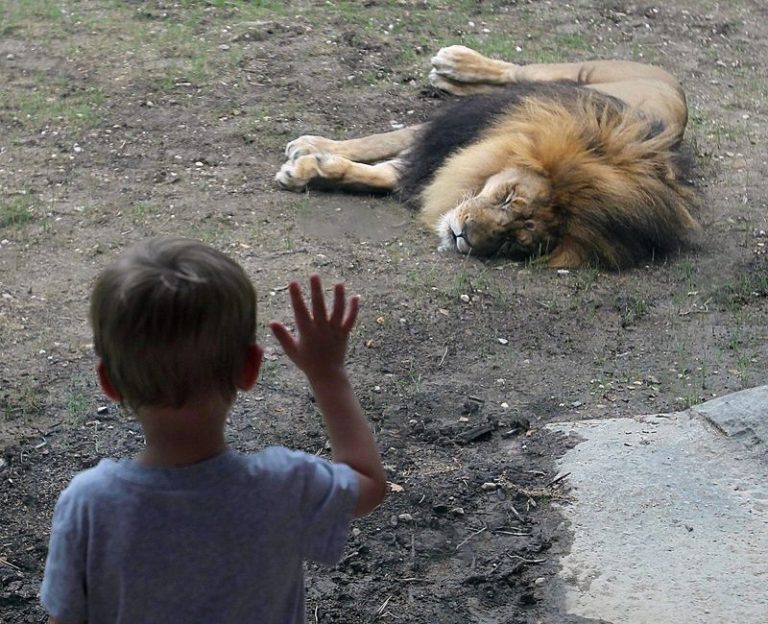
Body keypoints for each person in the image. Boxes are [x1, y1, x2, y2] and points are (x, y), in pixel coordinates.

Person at [40, 237, 386, 624]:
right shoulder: (284, 485)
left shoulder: (89, 503)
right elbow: (368, 482)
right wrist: (328, 374)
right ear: (250, 368)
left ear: (109, 383)